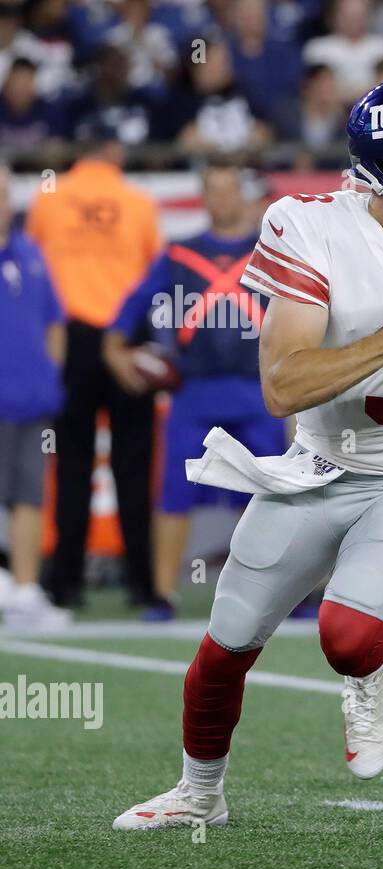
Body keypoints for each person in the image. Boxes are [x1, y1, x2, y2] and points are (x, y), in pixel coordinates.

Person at [113, 76, 383, 830]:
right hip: (319, 462)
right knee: (225, 643)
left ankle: (372, 673)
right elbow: (283, 387)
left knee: (346, 633)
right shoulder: (308, 224)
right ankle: (199, 794)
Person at [105, 161, 284, 621]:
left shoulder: (273, 254)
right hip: (194, 393)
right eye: (213, 190)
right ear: (203, 197)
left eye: (229, 189)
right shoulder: (178, 254)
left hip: (257, 392)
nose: (221, 198)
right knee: (172, 496)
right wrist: (116, 351)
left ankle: (280, 596)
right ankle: (164, 594)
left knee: (271, 500)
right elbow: (128, 312)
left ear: (243, 196)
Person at [25, 129, 163, 611]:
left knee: (72, 465)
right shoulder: (139, 202)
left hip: (73, 342)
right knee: (134, 465)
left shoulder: (49, 199)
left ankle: (64, 584)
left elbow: (37, 272)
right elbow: (151, 278)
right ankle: (143, 585)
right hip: (125, 340)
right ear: (115, 151)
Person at [0, 163, 69, 628]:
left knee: (28, 496)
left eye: (4, 194)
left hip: (31, 400)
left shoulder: (32, 252)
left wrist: (49, 376)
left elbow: (54, 321)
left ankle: (24, 590)